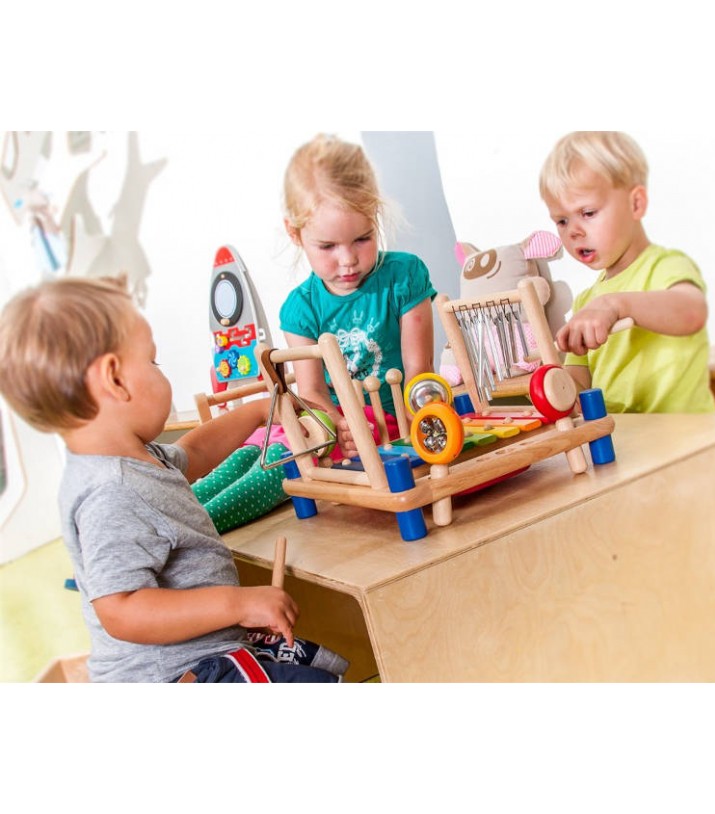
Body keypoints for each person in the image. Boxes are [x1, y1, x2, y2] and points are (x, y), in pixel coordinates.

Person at [0, 276, 347, 683]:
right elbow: (122, 609)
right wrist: (237, 604)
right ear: (114, 379)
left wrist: (257, 411)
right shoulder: (111, 492)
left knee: (324, 665)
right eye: (152, 361)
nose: (160, 371)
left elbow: (195, 453)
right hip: (177, 673)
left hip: (207, 649)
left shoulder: (132, 458)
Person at [278, 133, 437, 457]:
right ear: (295, 233)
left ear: (375, 216)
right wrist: (341, 425)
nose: (348, 259)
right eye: (328, 246)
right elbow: (312, 391)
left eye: (362, 239)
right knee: (275, 450)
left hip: (403, 419)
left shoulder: (404, 277)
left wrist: (415, 412)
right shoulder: (299, 310)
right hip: (345, 430)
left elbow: (418, 367)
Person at [539, 131, 715, 413]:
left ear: (635, 204)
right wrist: (551, 387)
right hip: (628, 438)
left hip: (685, 434)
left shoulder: (666, 265)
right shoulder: (586, 302)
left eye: (587, 213)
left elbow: (691, 312)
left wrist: (614, 305)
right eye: (561, 220)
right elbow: (580, 388)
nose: (573, 231)